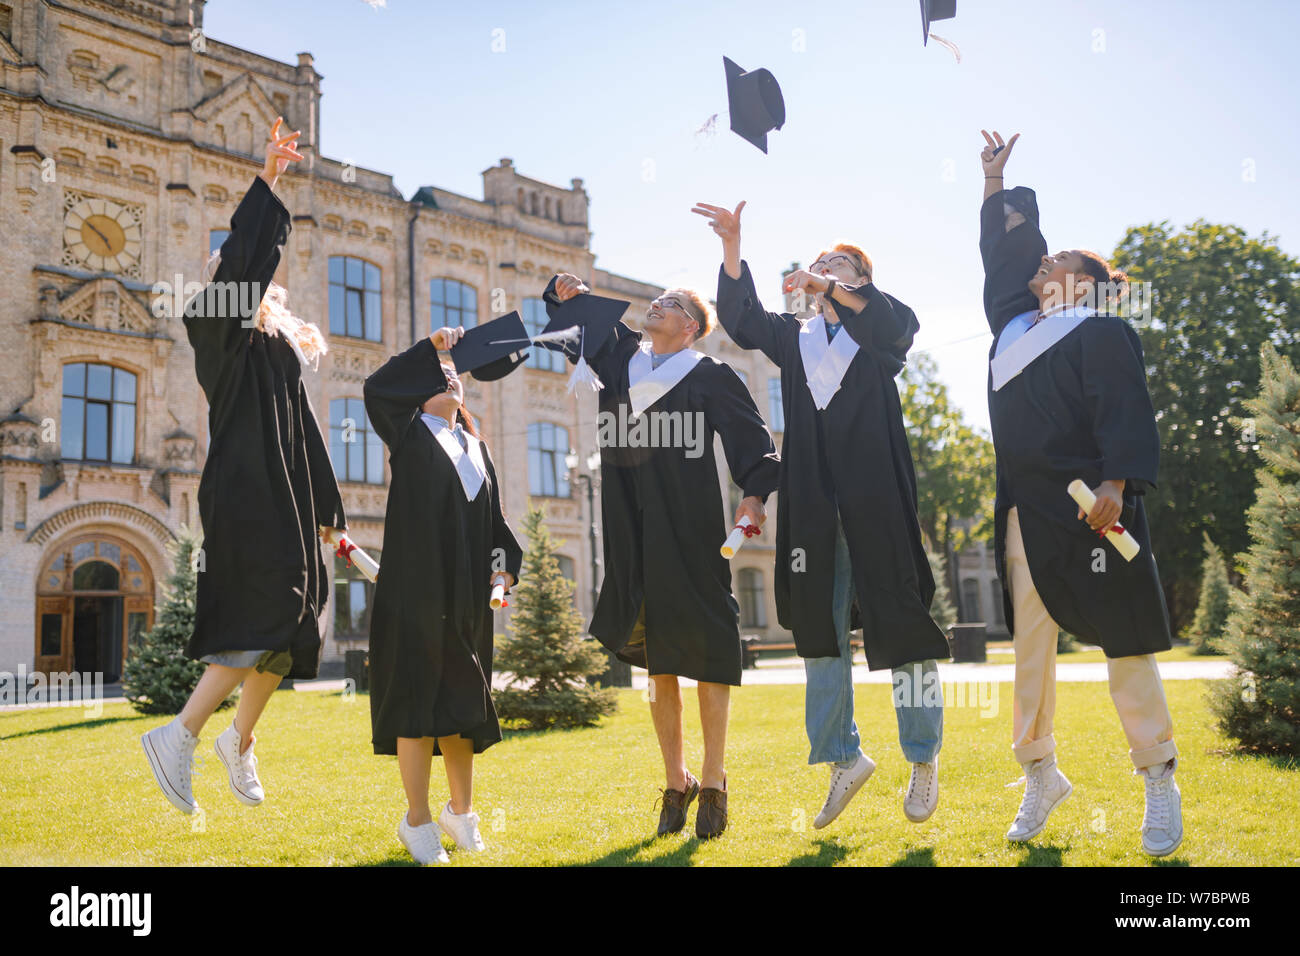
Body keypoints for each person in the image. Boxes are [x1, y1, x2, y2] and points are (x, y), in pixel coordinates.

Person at [697, 201, 950, 830]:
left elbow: (895, 327)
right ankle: (843, 757)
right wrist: (733, 246)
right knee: (817, 624)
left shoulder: (880, 327)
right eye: (818, 263)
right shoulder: (795, 337)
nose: (821, 270)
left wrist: (833, 287)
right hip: (812, 501)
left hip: (876, 494)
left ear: (859, 279)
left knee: (901, 616)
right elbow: (743, 318)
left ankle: (922, 755)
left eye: (838, 264)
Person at [977, 130, 1182, 856]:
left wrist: (1117, 483)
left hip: (1092, 507)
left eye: (1056, 259)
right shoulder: (1014, 330)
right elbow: (1002, 261)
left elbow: (1125, 411)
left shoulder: (1099, 331)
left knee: (1124, 638)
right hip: (1025, 510)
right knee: (1029, 647)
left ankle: (1157, 771)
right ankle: (1040, 771)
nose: (1042, 262)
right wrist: (996, 184)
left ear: (1083, 282)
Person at [141, 118, 348, 815]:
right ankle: (179, 734)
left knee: (299, 626)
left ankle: (239, 739)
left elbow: (304, 430)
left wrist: (328, 517)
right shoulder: (214, 326)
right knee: (266, 609)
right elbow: (244, 261)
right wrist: (268, 180)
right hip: (245, 487)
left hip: (287, 490)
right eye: (243, 277)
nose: (267, 287)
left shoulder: (275, 351)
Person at [544, 273, 780, 839]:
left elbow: (753, 441)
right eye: (658, 299)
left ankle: (716, 778)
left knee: (705, 645)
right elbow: (567, 323)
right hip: (631, 524)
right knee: (659, 658)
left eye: (671, 304)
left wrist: (752, 497)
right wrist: (563, 290)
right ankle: (677, 779)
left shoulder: (711, 375)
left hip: (691, 522)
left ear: (691, 328)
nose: (657, 304)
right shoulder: (621, 355)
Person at [362, 327, 522, 865]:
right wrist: (433, 348)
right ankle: (418, 819)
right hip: (417, 590)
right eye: (438, 374)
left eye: (454, 374)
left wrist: (503, 573)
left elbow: (496, 524)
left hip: (471, 595)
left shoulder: (477, 444)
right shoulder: (406, 433)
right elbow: (377, 387)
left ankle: (461, 811)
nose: (450, 377)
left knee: (462, 701)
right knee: (416, 700)